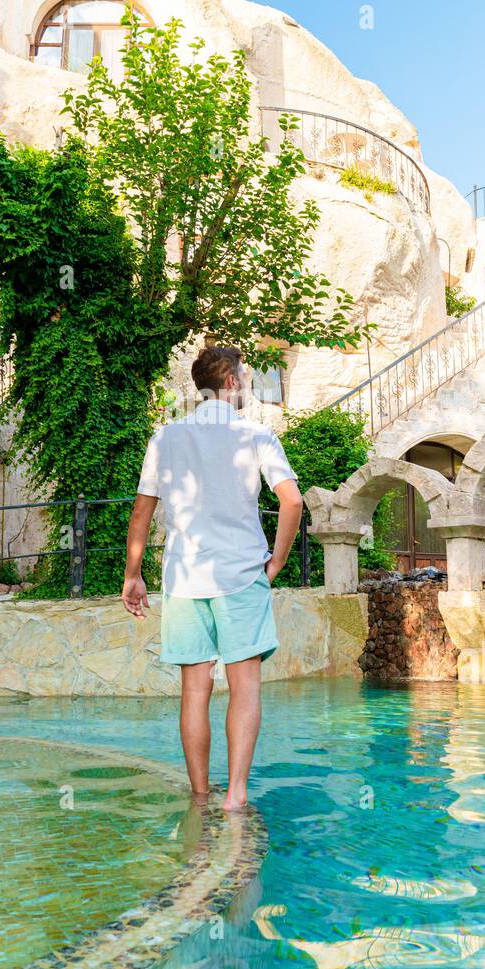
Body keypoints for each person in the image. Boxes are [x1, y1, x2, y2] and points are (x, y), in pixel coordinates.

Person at [122, 345, 303, 810]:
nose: (243, 384)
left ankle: (200, 796)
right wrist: (277, 561)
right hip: (241, 575)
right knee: (245, 687)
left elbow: (143, 510)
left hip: (184, 578)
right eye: (242, 376)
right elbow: (292, 501)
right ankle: (236, 796)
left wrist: (133, 574)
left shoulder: (166, 437)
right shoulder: (256, 435)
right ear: (229, 380)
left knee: (194, 690)